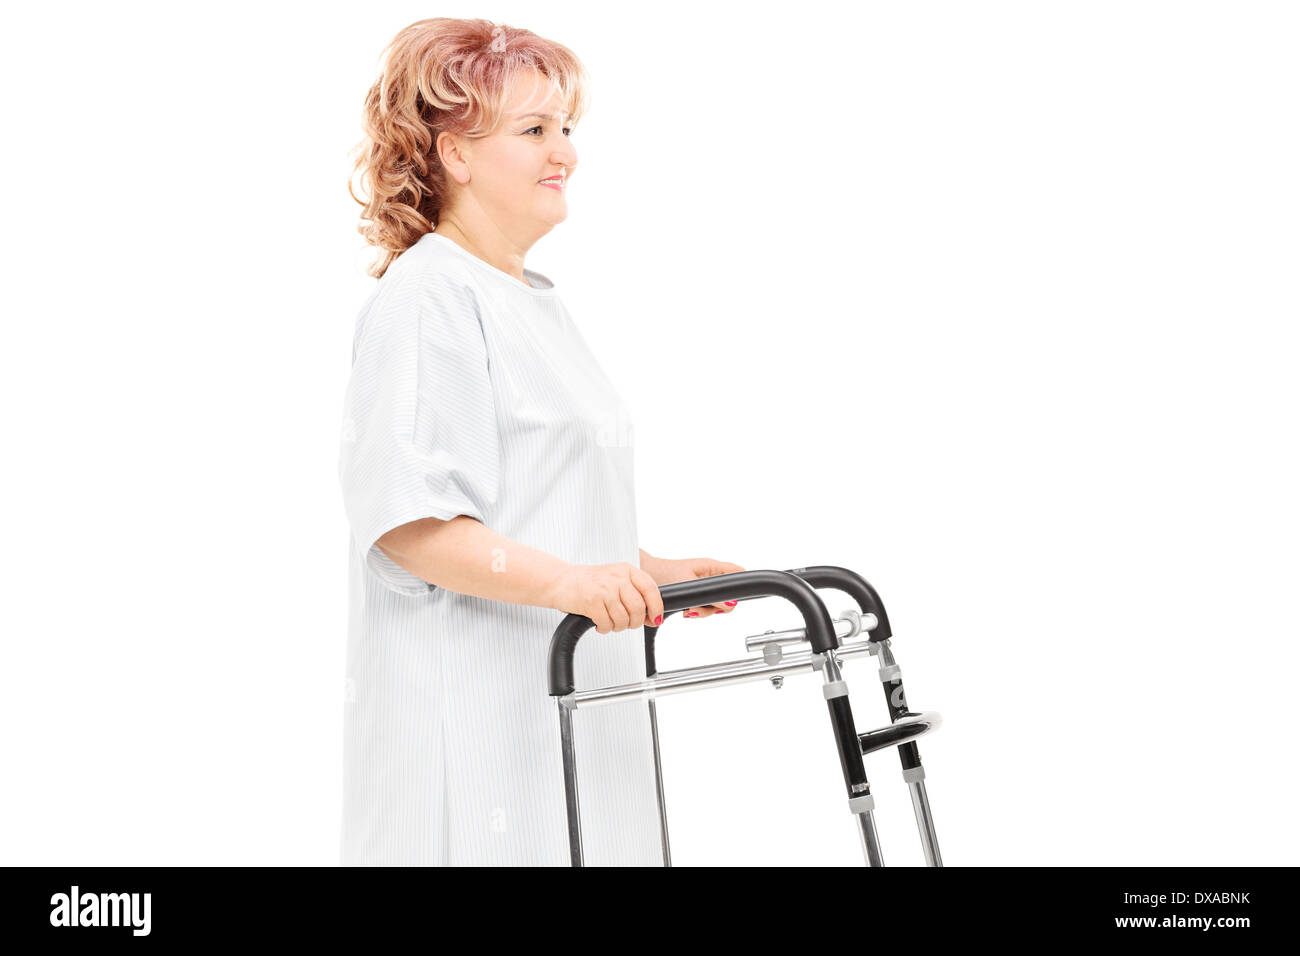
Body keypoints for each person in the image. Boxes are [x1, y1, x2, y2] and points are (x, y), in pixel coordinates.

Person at [337, 18, 746, 865]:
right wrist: (569, 581)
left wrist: (649, 573)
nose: (565, 152)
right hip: (482, 743)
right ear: (453, 153)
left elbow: (528, 501)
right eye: (534, 131)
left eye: (566, 128)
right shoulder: (428, 301)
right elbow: (410, 523)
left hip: (575, 710)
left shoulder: (531, 302)